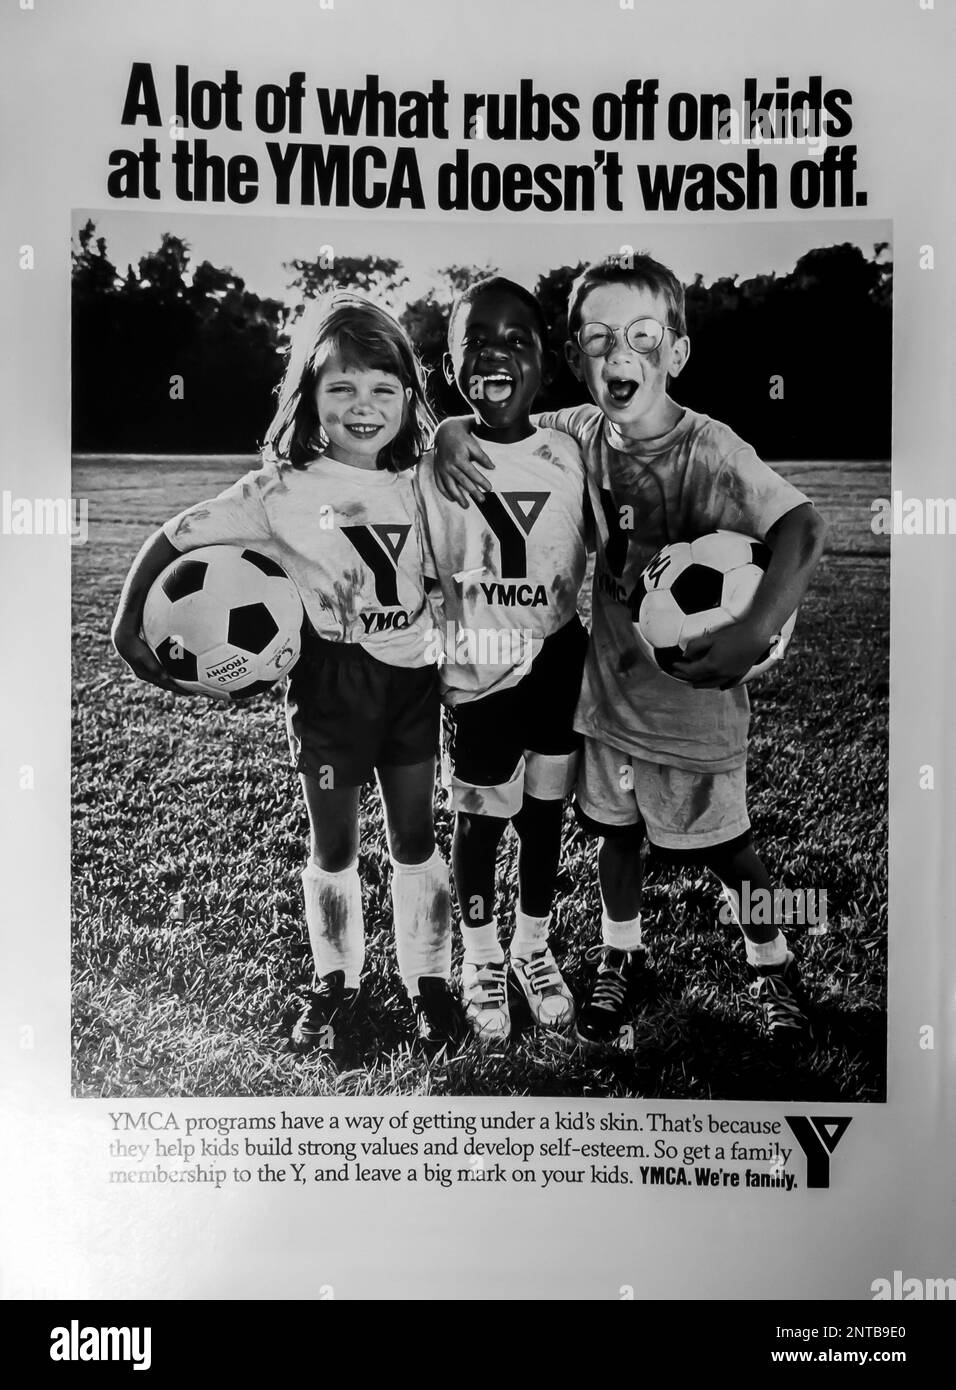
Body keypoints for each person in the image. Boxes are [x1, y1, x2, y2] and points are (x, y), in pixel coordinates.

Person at [432, 253, 827, 1045]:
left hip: (695, 708)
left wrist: (751, 630)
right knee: (615, 838)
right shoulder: (578, 430)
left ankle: (774, 959)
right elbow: (497, 424)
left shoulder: (711, 449)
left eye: (643, 337)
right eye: (598, 338)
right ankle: (620, 953)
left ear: (677, 351)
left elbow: (803, 528)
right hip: (605, 703)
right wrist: (445, 431)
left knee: (733, 851)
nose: (621, 355)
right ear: (575, 359)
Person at [111, 293, 462, 1053]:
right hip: (330, 690)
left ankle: (427, 979)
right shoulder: (277, 492)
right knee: (332, 845)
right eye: (341, 388)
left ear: (409, 396)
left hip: (411, 685)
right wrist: (127, 620)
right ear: (309, 395)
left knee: (414, 835)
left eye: (383, 389)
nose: (363, 407)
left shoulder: (427, 480)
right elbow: (173, 538)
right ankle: (335, 982)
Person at [417, 276, 589, 1042]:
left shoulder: (571, 450)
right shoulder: (430, 462)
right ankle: (481, 957)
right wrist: (447, 427)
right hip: (481, 667)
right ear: (450, 366)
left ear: (545, 366)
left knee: (546, 812)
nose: (496, 351)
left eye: (517, 339)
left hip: (558, 656)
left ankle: (532, 944)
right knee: (482, 817)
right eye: (475, 340)